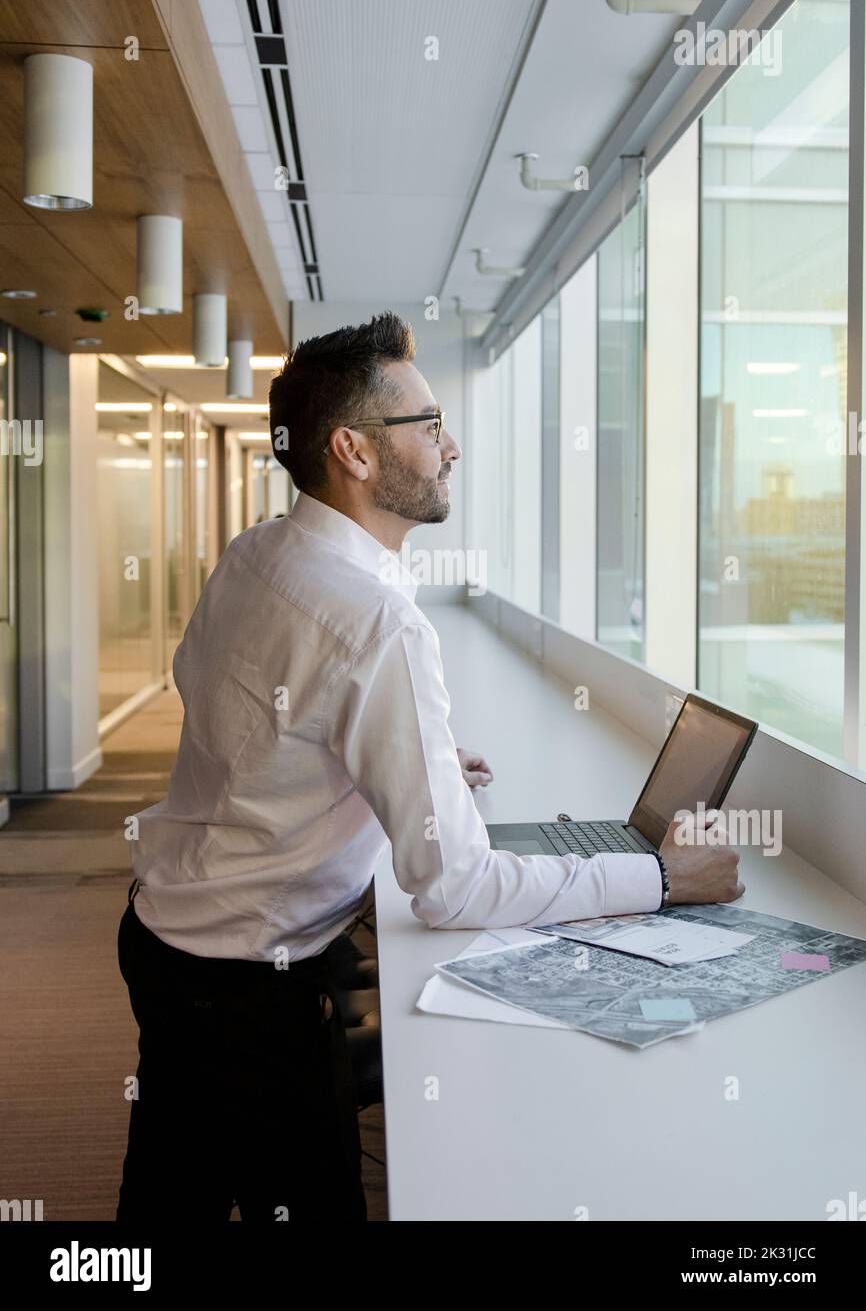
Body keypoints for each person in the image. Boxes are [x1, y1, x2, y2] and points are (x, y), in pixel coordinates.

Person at [116, 311, 742, 1222]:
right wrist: (657, 875)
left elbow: (207, 688)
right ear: (355, 453)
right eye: (428, 423)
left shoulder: (259, 552)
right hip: (249, 983)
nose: (450, 447)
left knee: (169, 1183)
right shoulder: (378, 623)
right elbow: (452, 888)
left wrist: (388, 756)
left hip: (163, 936)